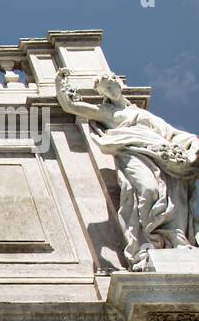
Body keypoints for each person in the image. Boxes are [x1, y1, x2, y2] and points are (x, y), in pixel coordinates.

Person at [55, 68, 199, 270]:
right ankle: (148, 242)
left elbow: (172, 134)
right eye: (105, 90)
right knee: (148, 189)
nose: (110, 91)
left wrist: (193, 144)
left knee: (171, 196)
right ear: (103, 95)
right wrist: (61, 84)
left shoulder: (141, 113)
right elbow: (71, 105)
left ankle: (174, 241)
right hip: (132, 150)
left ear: (119, 86)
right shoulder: (107, 112)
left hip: (161, 151)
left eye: (112, 86)